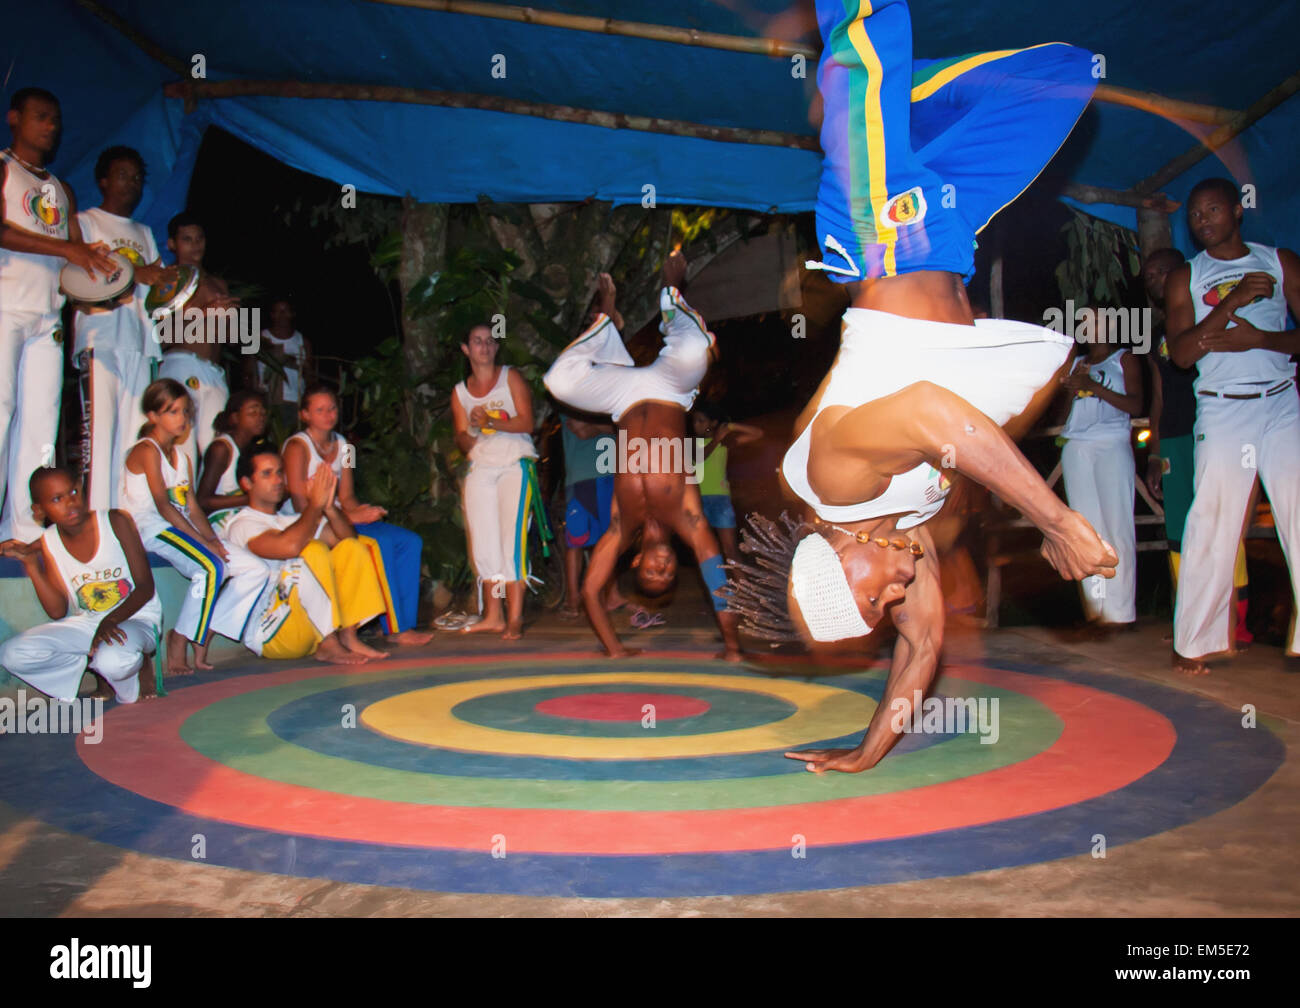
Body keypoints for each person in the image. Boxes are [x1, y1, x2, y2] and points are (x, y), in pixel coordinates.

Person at [724, 0, 1113, 773]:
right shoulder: (897, 541)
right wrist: (865, 754)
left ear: (838, 558)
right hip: (949, 232)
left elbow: (936, 414)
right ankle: (897, 108)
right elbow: (923, 648)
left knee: (866, 31)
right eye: (881, 613)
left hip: (880, 235)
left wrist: (1056, 519)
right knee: (1064, 76)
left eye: (873, 600)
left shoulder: (833, 479)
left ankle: (868, 96)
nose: (893, 601)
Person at [543, 261, 743, 660]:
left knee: (558, 381)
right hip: (671, 388)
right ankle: (672, 294)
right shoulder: (689, 518)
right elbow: (719, 585)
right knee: (694, 350)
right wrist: (733, 647)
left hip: (624, 399)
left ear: (637, 561)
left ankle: (605, 325)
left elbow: (589, 592)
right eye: (667, 574)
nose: (664, 568)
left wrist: (615, 650)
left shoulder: (621, 524)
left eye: (653, 572)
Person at [1166, 178, 1300, 674]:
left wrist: (1261, 339)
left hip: (1282, 405)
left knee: (1299, 513)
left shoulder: (1277, 261)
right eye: (1196, 214)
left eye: (1213, 209)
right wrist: (1231, 302)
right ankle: (1194, 642)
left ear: (1238, 210)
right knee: (1213, 522)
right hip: (1223, 411)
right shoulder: (1187, 276)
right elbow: (1181, 354)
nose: (1202, 220)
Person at [1, 87, 119, 540]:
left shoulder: (60, 189)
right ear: (14, 118)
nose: (51, 126)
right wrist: (67, 247)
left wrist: (97, 262)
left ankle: (24, 532)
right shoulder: (3, 169)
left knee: (40, 424)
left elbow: (73, 256)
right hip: (6, 306)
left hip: (48, 318)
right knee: (0, 411)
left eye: (56, 120)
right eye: (41, 117)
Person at [1142, 248, 1253, 647]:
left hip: (1217, 424)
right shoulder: (1158, 338)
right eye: (1149, 274)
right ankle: (1189, 615)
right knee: (1179, 529)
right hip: (1173, 437)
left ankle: (1235, 621)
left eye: (1162, 271)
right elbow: (1157, 397)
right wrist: (1154, 452)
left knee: (1222, 518)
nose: (1154, 278)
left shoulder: (1218, 316)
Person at [282, 384, 433, 646]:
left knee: (410, 541)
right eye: (319, 410)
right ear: (305, 414)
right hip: (309, 522)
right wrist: (350, 518)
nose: (328, 415)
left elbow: (347, 495)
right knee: (379, 544)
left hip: (338, 516)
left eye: (331, 408)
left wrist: (362, 511)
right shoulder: (297, 447)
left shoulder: (345, 447)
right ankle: (394, 629)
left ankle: (404, 621)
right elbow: (298, 502)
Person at [0, 465, 161, 703]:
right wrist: (33, 565)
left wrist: (111, 621)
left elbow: (145, 586)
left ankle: (134, 666)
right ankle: (96, 665)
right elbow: (57, 611)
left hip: (135, 617)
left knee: (114, 662)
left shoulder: (115, 521)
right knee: (12, 654)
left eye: (73, 492)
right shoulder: (49, 541)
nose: (70, 502)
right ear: (39, 510)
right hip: (89, 623)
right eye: (57, 499)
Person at [73, 146, 175, 511]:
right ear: (103, 180)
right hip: (101, 339)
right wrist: (135, 275)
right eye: (123, 175)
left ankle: (130, 516)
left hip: (140, 343)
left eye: (137, 178)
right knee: (100, 434)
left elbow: (159, 289)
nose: (131, 183)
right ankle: (98, 517)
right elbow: (78, 279)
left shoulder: (145, 233)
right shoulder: (85, 223)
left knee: (137, 436)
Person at [223, 447, 388, 664]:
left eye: (280, 472)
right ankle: (328, 642)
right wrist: (314, 506)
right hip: (273, 632)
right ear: (246, 483)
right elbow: (289, 546)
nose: (277, 480)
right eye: (267, 473)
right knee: (312, 550)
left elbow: (348, 538)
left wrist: (328, 507)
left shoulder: (292, 520)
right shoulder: (242, 524)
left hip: (308, 626)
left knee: (352, 548)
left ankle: (347, 635)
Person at [120, 379, 238, 674]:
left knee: (217, 564)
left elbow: (193, 507)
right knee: (210, 568)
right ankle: (178, 640)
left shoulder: (182, 458)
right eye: (172, 412)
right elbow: (163, 504)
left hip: (170, 528)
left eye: (185, 412)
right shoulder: (146, 451)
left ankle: (183, 636)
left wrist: (211, 538)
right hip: (149, 528)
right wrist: (202, 541)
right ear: (153, 416)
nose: (182, 419)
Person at [452, 324, 540, 640]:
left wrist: (491, 420)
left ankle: (514, 617)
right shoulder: (460, 392)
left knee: (511, 540)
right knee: (484, 542)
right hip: (482, 468)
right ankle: (493, 615)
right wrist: (475, 429)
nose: (485, 346)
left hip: (515, 464)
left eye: (490, 341)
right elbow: (462, 439)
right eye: (477, 341)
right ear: (466, 349)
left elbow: (529, 421)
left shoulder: (510, 377)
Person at [1057, 310, 1143, 627]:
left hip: (1112, 443)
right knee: (1087, 530)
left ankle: (1121, 613)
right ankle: (1097, 609)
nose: (1092, 328)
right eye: (1085, 322)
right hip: (1077, 446)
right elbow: (1062, 414)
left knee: (1117, 526)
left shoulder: (1124, 359)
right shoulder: (1077, 362)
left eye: (1098, 321)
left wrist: (1093, 384)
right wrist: (1070, 387)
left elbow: (1135, 405)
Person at [157, 212, 239, 479]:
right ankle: (180, 511)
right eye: (187, 239)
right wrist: (202, 313)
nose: (195, 246)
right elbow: (161, 335)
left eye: (199, 238)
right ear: (172, 244)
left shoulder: (219, 283)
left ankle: (219, 512)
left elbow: (228, 339)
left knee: (221, 444)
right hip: (182, 365)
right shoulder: (167, 280)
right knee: (183, 443)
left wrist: (231, 320)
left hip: (213, 371)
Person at [558, 412, 626, 620]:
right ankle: (573, 600)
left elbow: (625, 430)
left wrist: (602, 426)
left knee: (610, 537)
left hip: (610, 473)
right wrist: (609, 426)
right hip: (584, 476)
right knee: (577, 539)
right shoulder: (572, 396)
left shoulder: (606, 396)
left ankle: (611, 595)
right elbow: (581, 430)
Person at [690, 402, 762, 562]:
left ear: (713, 423)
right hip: (696, 501)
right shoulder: (691, 443)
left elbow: (758, 433)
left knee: (730, 550)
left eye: (701, 421)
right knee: (706, 549)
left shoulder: (725, 443)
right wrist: (716, 439)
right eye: (694, 421)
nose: (696, 425)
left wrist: (730, 426)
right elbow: (700, 458)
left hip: (721, 500)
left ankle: (742, 587)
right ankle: (718, 584)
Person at [197, 388, 269, 526]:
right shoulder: (221, 449)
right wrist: (252, 498)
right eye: (253, 412)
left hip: (240, 519)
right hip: (218, 522)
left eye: (263, 413)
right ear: (234, 418)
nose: (260, 417)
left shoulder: (252, 449)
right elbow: (203, 501)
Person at [247, 295, 311, 431]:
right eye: (278, 311)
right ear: (272, 315)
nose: (282, 315)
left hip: (295, 400)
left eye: (286, 311)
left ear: (292, 314)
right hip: (268, 399)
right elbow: (248, 370)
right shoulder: (259, 338)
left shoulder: (302, 341)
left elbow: (310, 374)